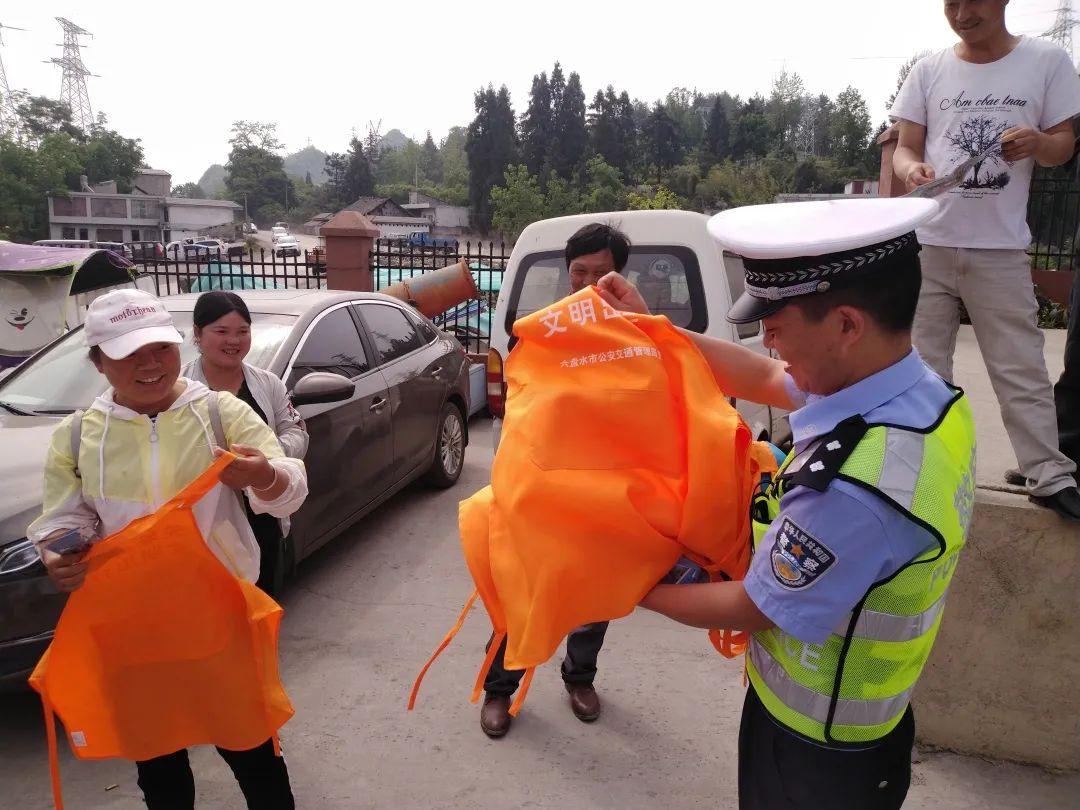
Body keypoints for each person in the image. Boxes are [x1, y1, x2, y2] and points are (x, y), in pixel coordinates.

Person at [597, 197, 975, 809]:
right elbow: (766, 380)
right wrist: (653, 332)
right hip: (849, 730)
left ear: (847, 326)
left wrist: (625, 589)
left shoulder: (857, 488)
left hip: (817, 756)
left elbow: (755, 604)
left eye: (777, 329)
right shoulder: (914, 393)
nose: (769, 344)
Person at [28, 289, 307, 810]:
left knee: (253, 754)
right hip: (134, 629)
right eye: (128, 353)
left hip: (218, 617)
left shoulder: (220, 412)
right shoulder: (76, 435)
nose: (149, 364)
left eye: (159, 347)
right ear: (98, 361)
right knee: (159, 767)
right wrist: (56, 554)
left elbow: (291, 485)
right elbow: (64, 517)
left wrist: (264, 475)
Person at [890, 0, 1080, 521]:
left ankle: (1048, 473)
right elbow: (906, 147)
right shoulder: (928, 69)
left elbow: (1064, 144)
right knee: (922, 368)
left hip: (1000, 248)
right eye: (951, 3)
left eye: (973, 0)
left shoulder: (1045, 61)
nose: (962, 12)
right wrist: (912, 170)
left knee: (1019, 364)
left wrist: (1040, 141)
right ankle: (928, 473)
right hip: (928, 244)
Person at [479, 222, 631, 738]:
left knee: (594, 593)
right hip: (543, 485)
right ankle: (501, 687)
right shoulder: (544, 330)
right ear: (567, 275)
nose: (588, 282)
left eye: (601, 272)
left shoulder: (635, 335)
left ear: (619, 275)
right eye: (579, 272)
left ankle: (580, 677)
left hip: (605, 489)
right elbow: (520, 402)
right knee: (522, 587)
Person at [183, 290, 308, 595]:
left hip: (262, 511)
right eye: (221, 331)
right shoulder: (181, 389)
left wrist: (267, 459)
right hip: (206, 518)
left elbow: (297, 432)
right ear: (198, 334)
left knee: (263, 597)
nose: (233, 341)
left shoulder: (268, 384)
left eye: (242, 331)